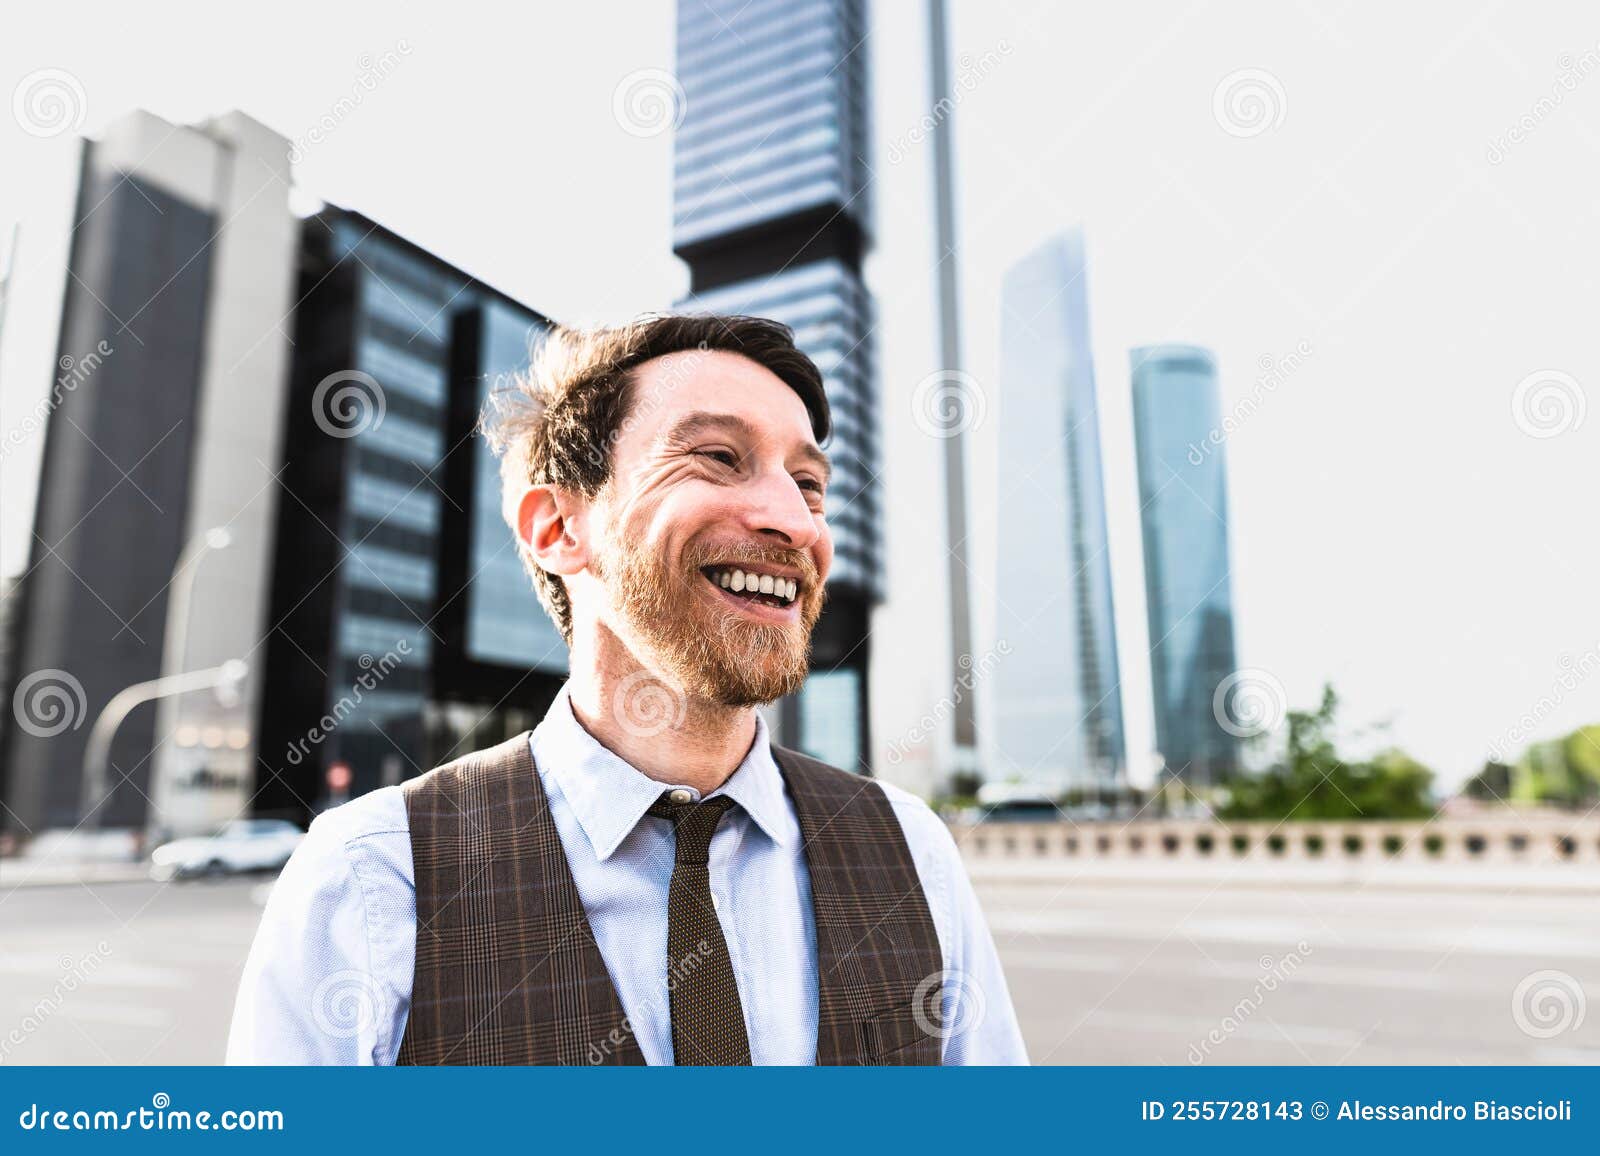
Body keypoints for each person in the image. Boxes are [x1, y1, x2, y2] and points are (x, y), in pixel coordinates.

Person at [226, 313, 1027, 1065]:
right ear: (558, 529)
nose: (797, 522)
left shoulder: (912, 850)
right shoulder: (372, 877)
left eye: (810, 485)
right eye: (718, 457)